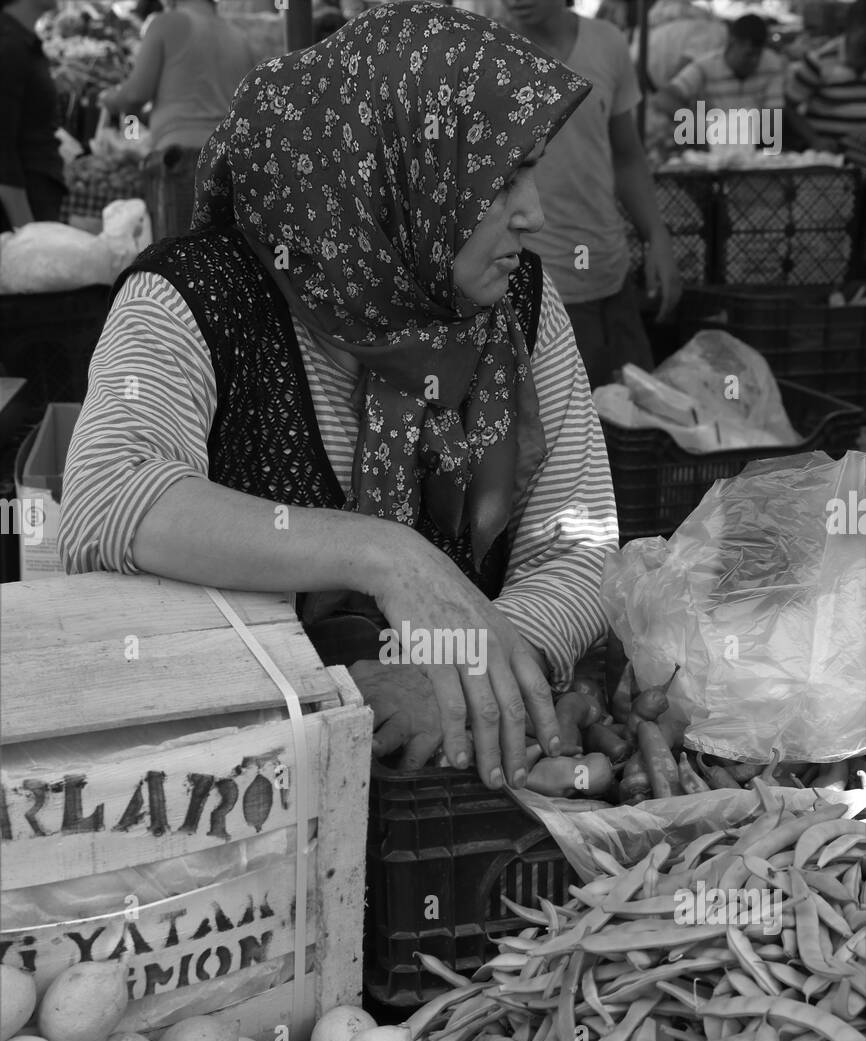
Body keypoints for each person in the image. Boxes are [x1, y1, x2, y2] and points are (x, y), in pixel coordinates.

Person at [58, 3, 620, 793]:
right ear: (393, 171)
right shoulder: (198, 294)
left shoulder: (517, 300)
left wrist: (460, 669)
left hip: (450, 776)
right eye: (501, 178)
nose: (533, 213)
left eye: (531, 171)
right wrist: (387, 555)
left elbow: (581, 541)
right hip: (240, 783)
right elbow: (110, 495)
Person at [500, 0, 681, 389]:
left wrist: (657, 236)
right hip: (534, 285)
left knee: (634, 420)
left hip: (609, 271)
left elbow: (627, 156)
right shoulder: (488, 49)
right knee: (570, 433)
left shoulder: (607, 43)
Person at [99, 0, 254, 239]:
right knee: (221, 257)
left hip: (181, 160)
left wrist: (109, 99)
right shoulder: (238, 37)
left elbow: (135, 95)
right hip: (230, 161)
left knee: (178, 260)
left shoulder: (167, 24)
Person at [653, 14, 787, 145]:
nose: (755, 61)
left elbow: (773, 119)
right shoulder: (705, 66)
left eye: (758, 55)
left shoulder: (771, 65)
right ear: (733, 43)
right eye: (749, 55)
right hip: (713, 145)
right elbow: (663, 98)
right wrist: (698, 124)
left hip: (754, 145)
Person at [0, 0, 66, 231]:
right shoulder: (10, 45)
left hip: (37, 199)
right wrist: (27, 231)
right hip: (24, 212)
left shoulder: (22, 42)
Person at [785, 0, 866, 162]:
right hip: (828, 159)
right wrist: (814, 139)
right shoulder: (819, 61)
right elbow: (789, 107)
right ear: (851, 28)